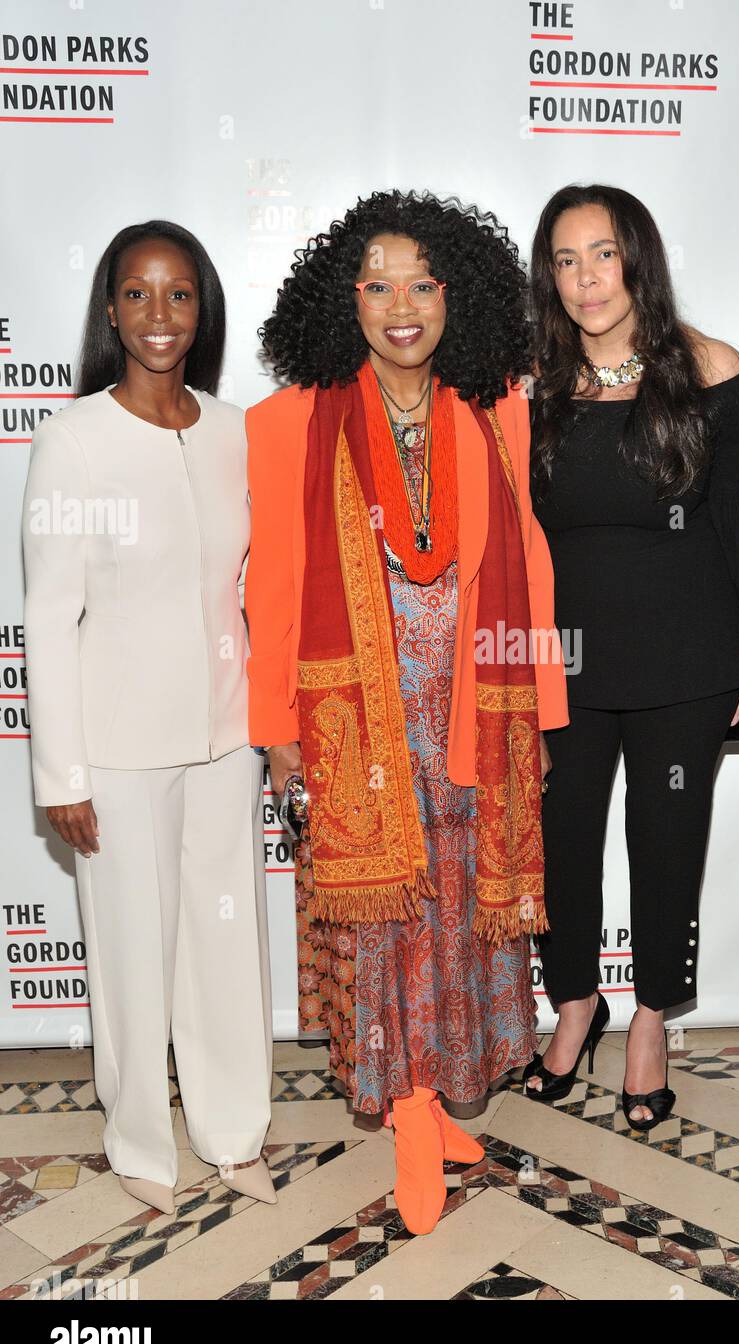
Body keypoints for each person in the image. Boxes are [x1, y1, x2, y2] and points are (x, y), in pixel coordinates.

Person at [247, 190, 567, 1235]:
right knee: (390, 921)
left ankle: (447, 1081)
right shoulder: (293, 420)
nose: (400, 305)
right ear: (342, 299)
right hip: (365, 728)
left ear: (456, 296)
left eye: (422, 283)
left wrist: (539, 715)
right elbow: (276, 589)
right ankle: (415, 1112)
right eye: (376, 282)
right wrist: (281, 734)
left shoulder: (497, 405)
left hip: (474, 712)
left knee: (462, 912)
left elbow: (532, 566)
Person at [21, 222, 275, 1215]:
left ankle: (234, 1132)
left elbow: (256, 588)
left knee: (225, 940)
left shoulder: (233, 429)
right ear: (111, 310)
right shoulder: (72, 438)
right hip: (117, 750)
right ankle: (138, 1142)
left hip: (224, 735)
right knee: (128, 950)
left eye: (178, 295)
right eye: (138, 295)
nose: (159, 315)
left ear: (202, 307)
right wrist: (62, 773)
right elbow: (47, 612)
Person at [525, 185, 739, 1129]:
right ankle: (575, 1002)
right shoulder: (533, 384)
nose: (586, 279)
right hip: (565, 661)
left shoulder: (710, 369)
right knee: (562, 842)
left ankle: (651, 1018)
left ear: (637, 258)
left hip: (686, 654)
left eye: (602, 254)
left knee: (666, 846)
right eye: (564, 259)